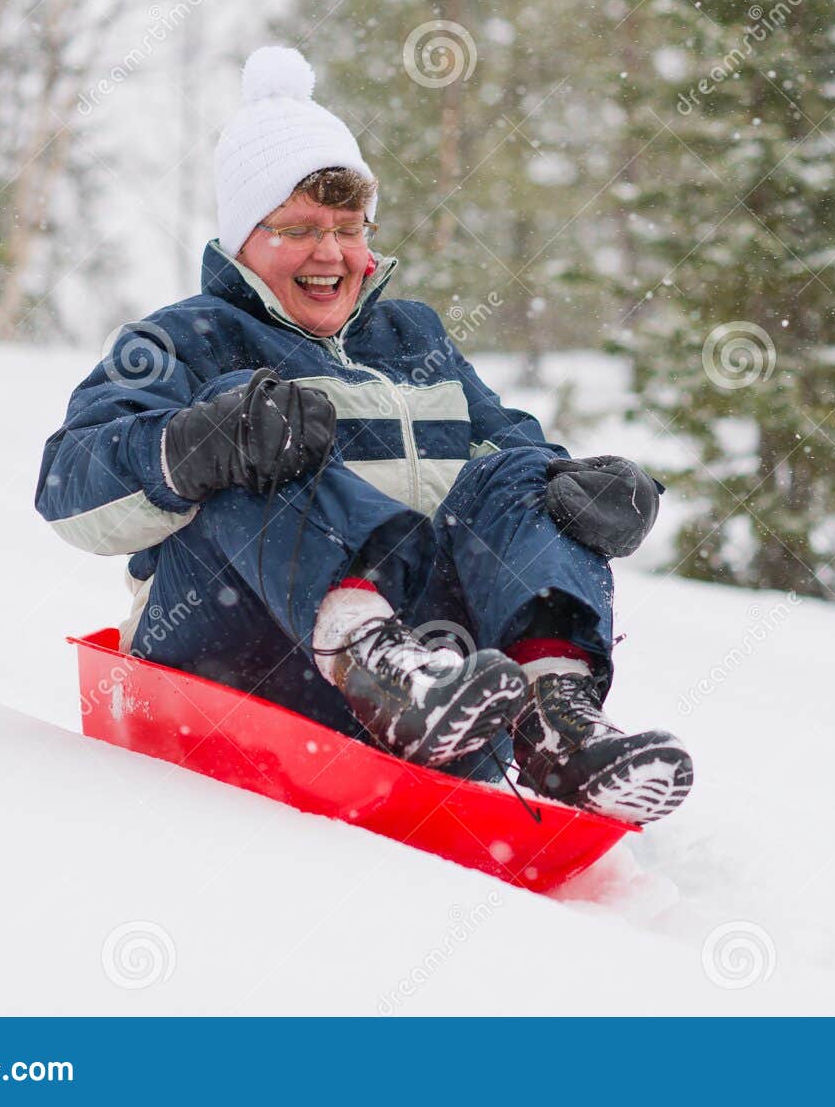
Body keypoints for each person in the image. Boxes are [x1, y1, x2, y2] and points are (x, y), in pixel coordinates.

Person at [35, 46, 692, 824]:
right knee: (260, 419)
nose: (332, 253)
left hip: (441, 696)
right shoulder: (187, 337)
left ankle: (553, 718)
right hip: (238, 662)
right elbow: (65, 483)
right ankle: (370, 657)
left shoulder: (412, 336)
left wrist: (581, 493)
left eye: (349, 228)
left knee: (524, 478)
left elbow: (508, 460)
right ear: (242, 237)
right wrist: (187, 447)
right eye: (300, 228)